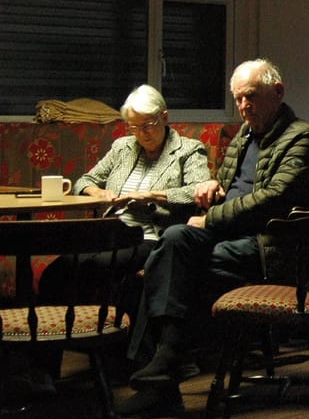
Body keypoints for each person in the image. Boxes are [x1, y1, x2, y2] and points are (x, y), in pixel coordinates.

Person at [116, 58, 309, 419]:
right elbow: (236, 190)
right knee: (172, 241)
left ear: (277, 93)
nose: (244, 106)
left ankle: (163, 377)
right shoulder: (244, 136)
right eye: (238, 99)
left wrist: (211, 216)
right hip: (232, 237)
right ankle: (165, 366)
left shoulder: (303, 137)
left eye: (251, 97)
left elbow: (271, 200)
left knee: (169, 266)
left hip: (274, 248)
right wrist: (215, 187)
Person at [40, 85, 211, 304]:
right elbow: (83, 181)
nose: (142, 133)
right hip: (110, 232)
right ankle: (59, 333)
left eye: (148, 125)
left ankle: (102, 333)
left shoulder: (188, 150)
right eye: (134, 127)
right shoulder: (123, 147)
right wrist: (99, 193)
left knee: (91, 266)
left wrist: (150, 195)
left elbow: (197, 190)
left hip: (150, 237)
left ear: (165, 117)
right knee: (57, 270)